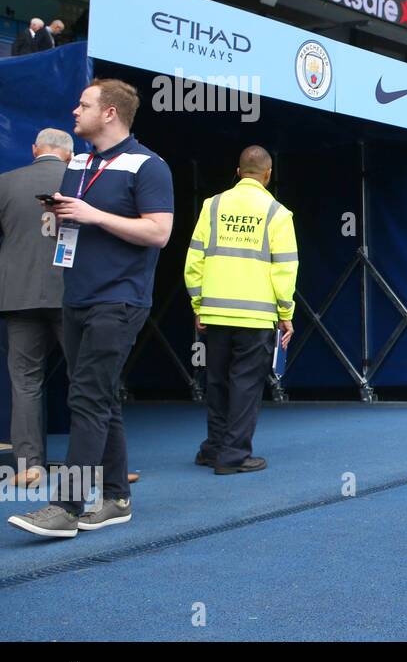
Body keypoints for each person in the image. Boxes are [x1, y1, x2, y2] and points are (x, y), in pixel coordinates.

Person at [8, 79, 173, 539]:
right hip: (76, 295)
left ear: (110, 114)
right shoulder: (77, 162)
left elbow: (159, 233)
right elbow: (77, 220)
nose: (74, 110)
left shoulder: (149, 165)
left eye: (84, 104)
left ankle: (67, 505)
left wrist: (92, 215)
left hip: (118, 299)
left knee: (86, 398)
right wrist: (64, 213)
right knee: (100, 399)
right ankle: (117, 497)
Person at [186, 146, 297, 475]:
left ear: (237, 171)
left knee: (217, 382)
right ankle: (233, 456)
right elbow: (285, 268)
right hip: (256, 316)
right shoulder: (278, 213)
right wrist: (286, 312)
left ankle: (213, 448)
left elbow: (194, 261)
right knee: (246, 386)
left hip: (216, 314)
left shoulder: (212, 205)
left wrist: (198, 304)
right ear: (268, 175)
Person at [0, 129, 74, 488]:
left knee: (25, 381)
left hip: (18, 295)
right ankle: (101, 464)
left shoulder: (6, 182)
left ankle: (28, 467)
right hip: (72, 295)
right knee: (87, 380)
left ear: (34, 149)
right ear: (70, 155)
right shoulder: (82, 181)